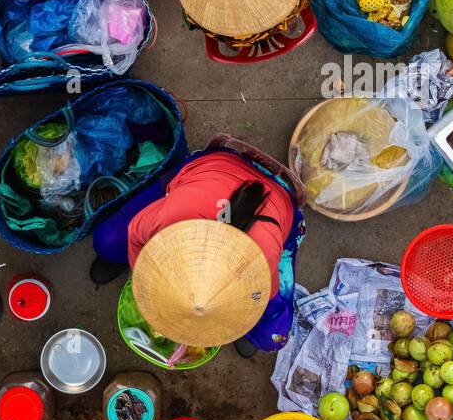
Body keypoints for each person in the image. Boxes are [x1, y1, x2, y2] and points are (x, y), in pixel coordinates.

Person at [91, 137, 303, 353]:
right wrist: (143, 276)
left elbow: (261, 296)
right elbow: (136, 235)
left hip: (278, 196)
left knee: (273, 337)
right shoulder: (171, 219)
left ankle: (253, 333)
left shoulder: (260, 262)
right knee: (106, 241)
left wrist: (246, 317)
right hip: (215, 167)